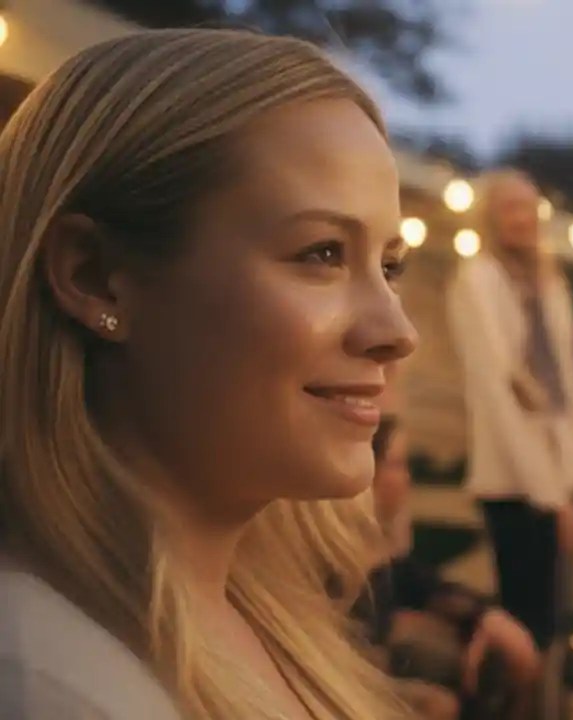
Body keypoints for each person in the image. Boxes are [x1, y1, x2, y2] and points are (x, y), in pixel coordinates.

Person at [0, 29, 420, 718]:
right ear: (96, 277)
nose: (398, 333)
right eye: (321, 253)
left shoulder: (252, 615)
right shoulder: (50, 682)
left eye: (390, 266)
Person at [446, 168, 573, 651]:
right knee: (525, 622)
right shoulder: (478, 280)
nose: (523, 218)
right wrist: (549, 498)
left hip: (565, 471)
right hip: (515, 481)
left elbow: (567, 383)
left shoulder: (549, 283)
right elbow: (497, 391)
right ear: (490, 216)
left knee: (558, 620)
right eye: (510, 207)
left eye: (530, 207)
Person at [358, 416, 541, 720]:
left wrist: (484, 615)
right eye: (397, 465)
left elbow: (422, 583)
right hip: (355, 679)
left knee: (505, 655)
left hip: (385, 668)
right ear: (370, 470)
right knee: (441, 702)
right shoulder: (344, 547)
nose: (407, 479)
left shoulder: (383, 543)